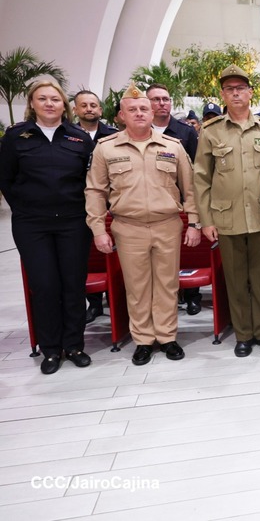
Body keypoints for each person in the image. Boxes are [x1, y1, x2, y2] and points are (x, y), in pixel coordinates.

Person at [85, 82, 201, 366]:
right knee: (136, 287)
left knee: (168, 285)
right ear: (121, 115)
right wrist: (98, 229)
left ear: (152, 113)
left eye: (143, 109)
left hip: (167, 224)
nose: (139, 113)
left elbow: (190, 188)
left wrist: (194, 222)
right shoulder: (106, 148)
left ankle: (167, 336)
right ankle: (144, 340)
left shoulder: (172, 146)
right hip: (128, 227)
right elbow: (95, 191)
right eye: (132, 109)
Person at [0, 79, 95, 374]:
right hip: (32, 224)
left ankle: (74, 345)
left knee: (73, 284)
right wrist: (24, 208)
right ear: (32, 103)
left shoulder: (79, 138)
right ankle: (51, 349)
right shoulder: (16, 137)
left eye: (55, 99)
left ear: (64, 105)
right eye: (42, 99)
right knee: (44, 286)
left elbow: (89, 181)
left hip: (73, 222)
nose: (49, 104)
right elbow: (5, 178)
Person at [194, 64, 260, 357]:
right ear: (222, 94)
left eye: (241, 88)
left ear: (250, 92)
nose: (235, 93)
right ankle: (243, 334)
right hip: (226, 217)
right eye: (229, 89)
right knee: (235, 280)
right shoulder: (211, 130)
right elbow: (201, 177)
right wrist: (206, 220)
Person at [146, 83, 203, 315]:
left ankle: (192, 296)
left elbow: (195, 171)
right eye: (156, 99)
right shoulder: (139, 131)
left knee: (188, 252)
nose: (162, 103)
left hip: (180, 205)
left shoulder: (185, 132)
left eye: (166, 99)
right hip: (150, 205)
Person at [72, 90, 118, 324]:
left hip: (112, 205)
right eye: (84, 105)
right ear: (75, 110)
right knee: (89, 254)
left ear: (100, 110)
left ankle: (115, 299)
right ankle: (94, 303)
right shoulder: (68, 136)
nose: (89, 109)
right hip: (80, 205)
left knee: (113, 251)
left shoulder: (113, 135)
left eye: (93, 105)